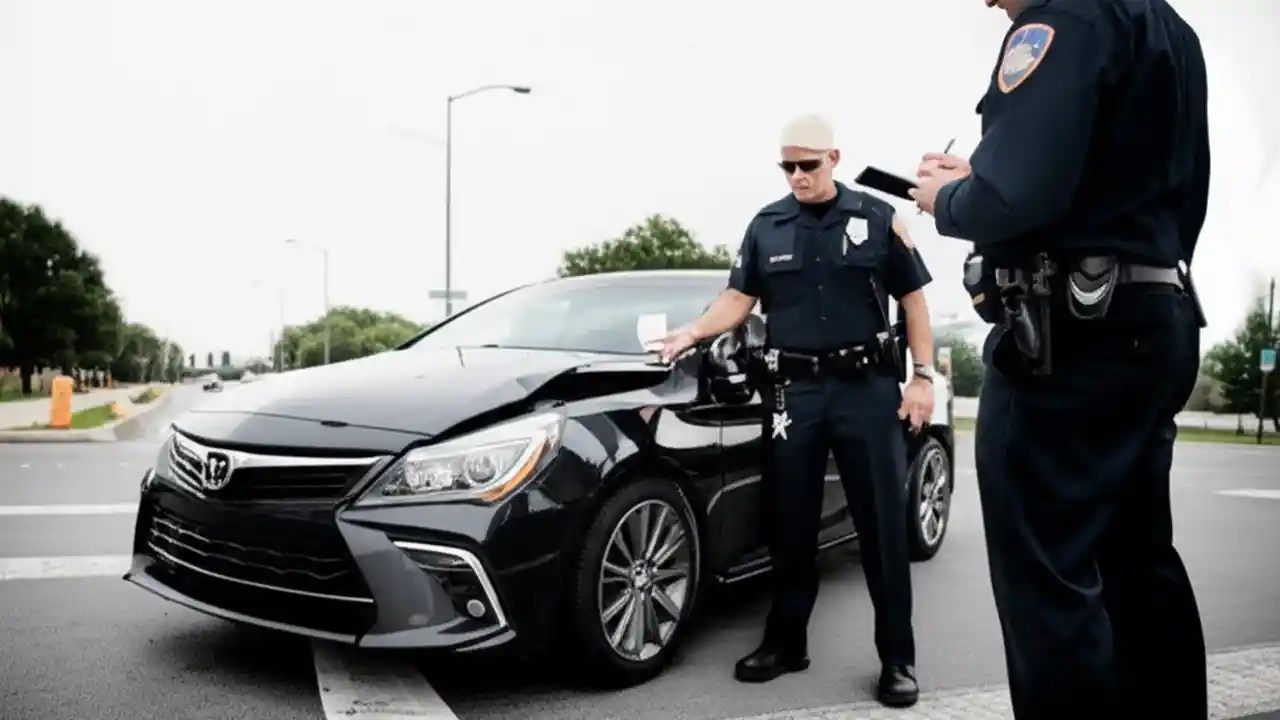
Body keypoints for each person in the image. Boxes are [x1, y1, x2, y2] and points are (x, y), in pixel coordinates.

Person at [909, 0, 1210, 717]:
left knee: (1049, 584)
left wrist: (948, 198)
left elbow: (1011, 199)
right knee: (1141, 569)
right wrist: (983, 178)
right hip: (1152, 316)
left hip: (1067, 343)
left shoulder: (1059, 19)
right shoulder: (1169, 27)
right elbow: (1113, 182)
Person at [654, 114, 936, 708]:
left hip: (866, 389)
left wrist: (922, 378)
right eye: (788, 167)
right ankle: (786, 642)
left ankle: (898, 657)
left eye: (808, 165)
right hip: (794, 394)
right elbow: (738, 298)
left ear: (834, 158)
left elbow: (913, 300)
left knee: (882, 527)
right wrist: (692, 332)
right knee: (789, 523)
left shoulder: (877, 217)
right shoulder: (767, 224)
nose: (798, 176)